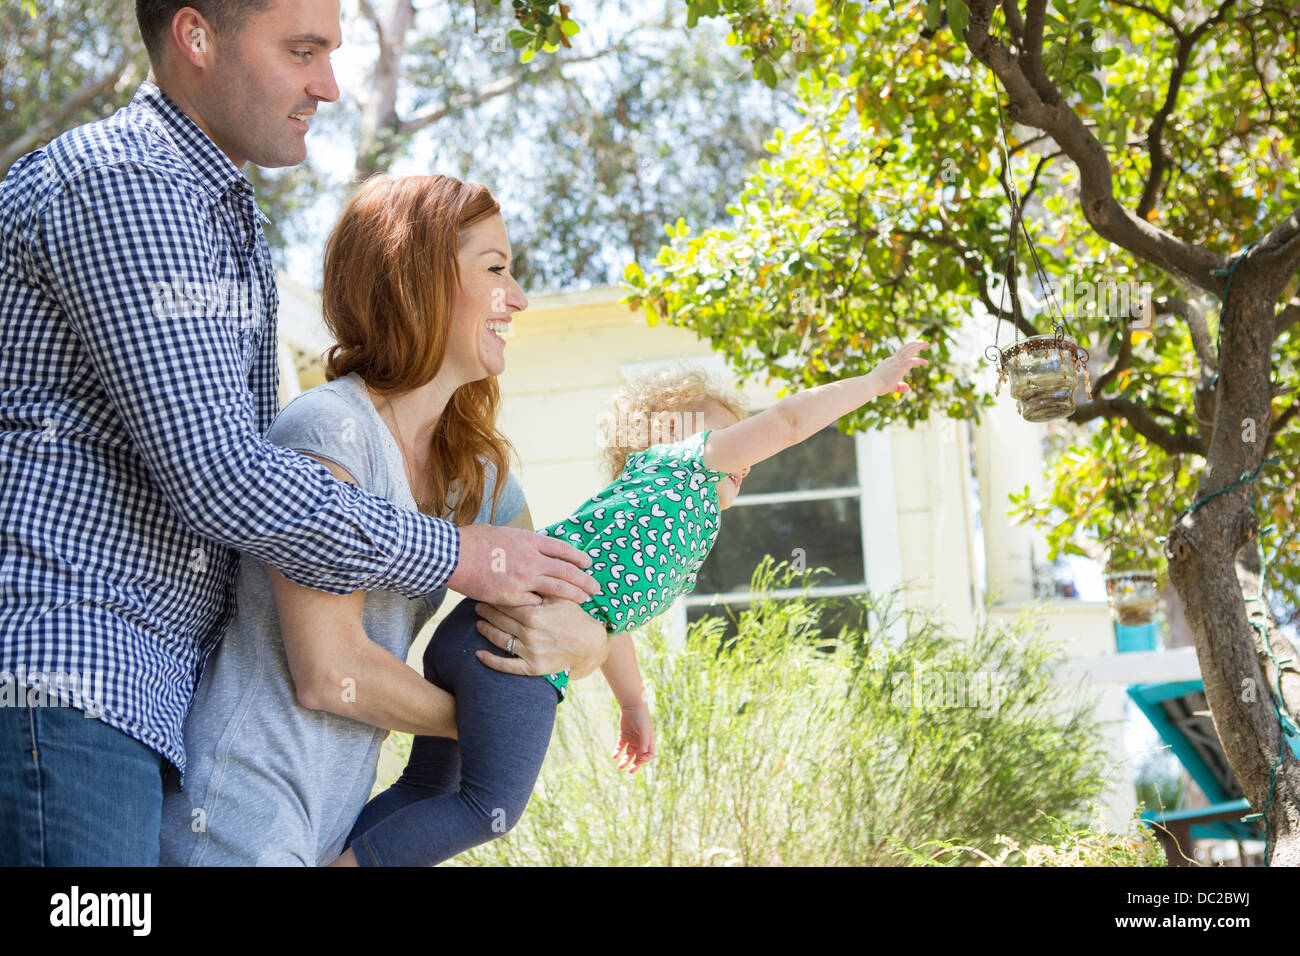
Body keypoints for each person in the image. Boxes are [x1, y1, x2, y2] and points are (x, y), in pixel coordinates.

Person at [0, 0, 606, 867]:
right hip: (65, 674)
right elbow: (219, 476)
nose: (327, 85)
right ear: (196, 36)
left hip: (135, 701)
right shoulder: (125, 186)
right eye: (302, 51)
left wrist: (575, 650)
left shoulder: (219, 211)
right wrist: (454, 558)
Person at [333, 341, 930, 866]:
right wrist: (872, 384)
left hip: (476, 635)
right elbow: (791, 419)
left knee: (427, 787)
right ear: (674, 437)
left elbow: (610, 625)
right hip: (512, 651)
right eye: (727, 435)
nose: (744, 456)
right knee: (490, 806)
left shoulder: (646, 510)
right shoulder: (684, 467)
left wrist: (632, 704)